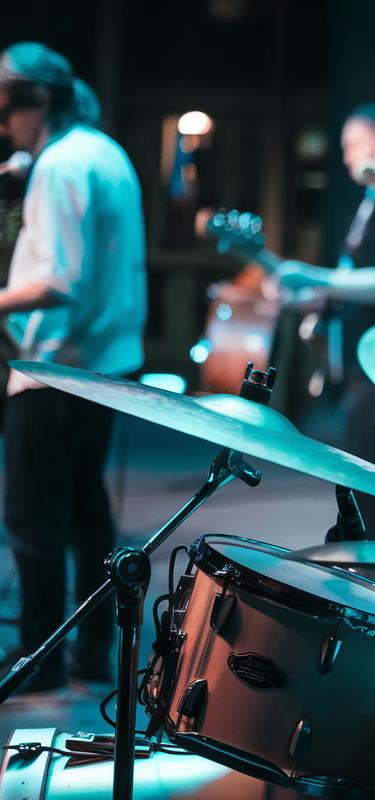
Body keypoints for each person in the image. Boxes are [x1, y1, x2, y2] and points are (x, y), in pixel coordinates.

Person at [0, 42, 146, 693]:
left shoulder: (60, 166)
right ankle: (89, 653)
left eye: (5, 108)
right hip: (106, 368)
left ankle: (38, 660)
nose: (3, 125)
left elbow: (61, 281)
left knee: (33, 519)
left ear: (32, 102)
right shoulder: (103, 152)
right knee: (87, 516)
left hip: (55, 372)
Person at [271, 102, 375, 539]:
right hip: (363, 361)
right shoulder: (374, 199)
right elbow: (358, 284)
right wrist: (314, 296)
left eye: (353, 145)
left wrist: (316, 277)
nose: (345, 157)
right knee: (368, 487)